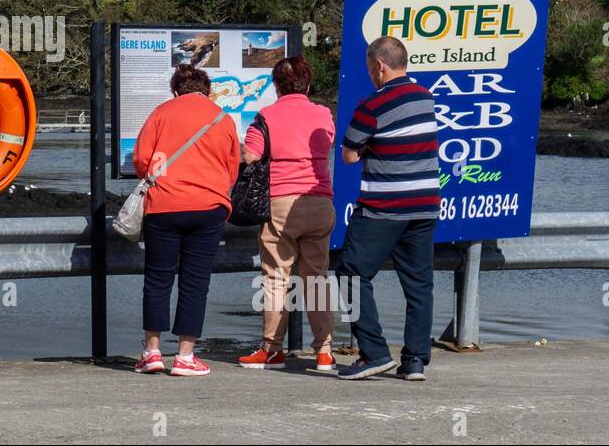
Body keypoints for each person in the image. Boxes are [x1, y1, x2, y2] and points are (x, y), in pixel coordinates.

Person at [334, 36, 439, 381]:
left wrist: (371, 147)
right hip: (424, 204)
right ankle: (415, 361)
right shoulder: (426, 98)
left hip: (383, 206)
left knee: (351, 272)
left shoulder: (372, 104)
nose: (369, 75)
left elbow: (349, 155)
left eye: (369, 68)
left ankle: (375, 352)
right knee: (419, 283)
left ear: (379, 65)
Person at [132, 63, 239, 377]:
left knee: (157, 279)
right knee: (195, 283)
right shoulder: (222, 119)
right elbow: (232, 168)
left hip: (164, 205)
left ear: (176, 90)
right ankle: (185, 357)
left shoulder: (161, 113)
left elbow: (141, 160)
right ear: (206, 91)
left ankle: (152, 352)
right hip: (209, 206)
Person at [236, 55, 338, 372]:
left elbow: (251, 155)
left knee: (276, 279)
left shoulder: (266, 116)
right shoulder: (323, 114)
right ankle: (324, 352)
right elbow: (328, 143)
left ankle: (272, 350)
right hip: (320, 201)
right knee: (317, 279)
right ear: (307, 83)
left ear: (277, 85)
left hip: (281, 203)